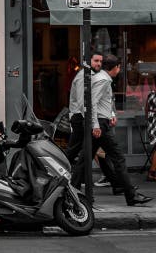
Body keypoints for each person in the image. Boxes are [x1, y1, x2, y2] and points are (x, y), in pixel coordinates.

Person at [71, 55, 152, 206]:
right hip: (100, 126)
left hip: (100, 123)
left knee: (84, 159)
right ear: (115, 68)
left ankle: (71, 190)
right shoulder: (103, 80)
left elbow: (103, 102)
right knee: (118, 158)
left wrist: (111, 114)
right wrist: (95, 125)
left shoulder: (102, 78)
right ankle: (131, 195)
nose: (120, 70)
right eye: (119, 67)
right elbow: (91, 104)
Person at [65, 52, 115, 185]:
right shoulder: (84, 76)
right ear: (88, 61)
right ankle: (58, 175)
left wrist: (111, 114)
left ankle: (115, 182)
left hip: (87, 118)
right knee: (74, 151)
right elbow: (84, 103)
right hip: (80, 118)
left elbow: (101, 100)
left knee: (97, 150)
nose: (98, 64)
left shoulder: (94, 76)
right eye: (96, 61)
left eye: (100, 61)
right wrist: (94, 123)